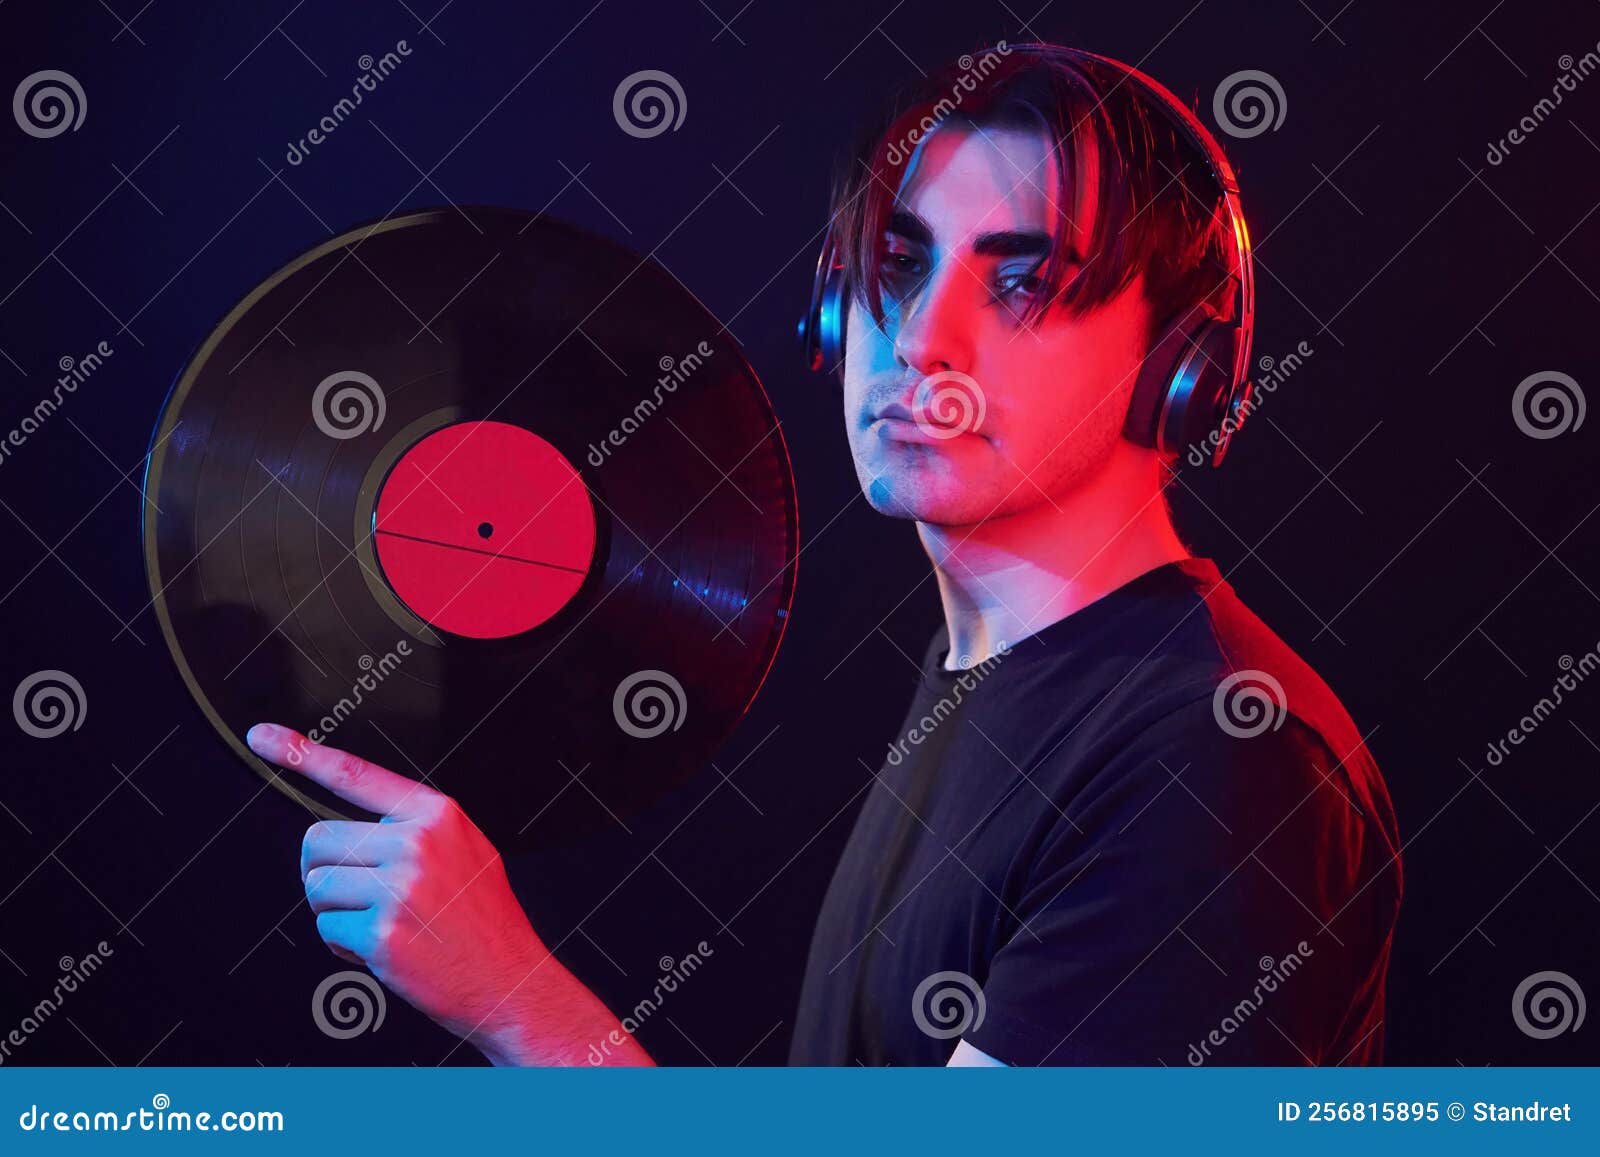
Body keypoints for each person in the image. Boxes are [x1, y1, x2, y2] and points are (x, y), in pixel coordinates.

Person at [245, 42, 1402, 1067]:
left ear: (1176, 367)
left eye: (1022, 283)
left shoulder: (1218, 756)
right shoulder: (990, 679)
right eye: (897, 265)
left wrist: (521, 1006)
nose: (922, 339)